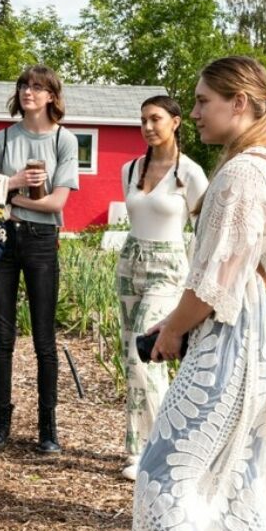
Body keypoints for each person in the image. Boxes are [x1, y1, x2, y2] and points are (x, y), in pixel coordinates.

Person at [109, 56, 266, 531]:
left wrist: (171, 331)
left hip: (230, 340)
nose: (194, 112)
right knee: (248, 474)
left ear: (240, 103)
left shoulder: (242, 174)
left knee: (164, 472)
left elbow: (213, 285)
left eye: (203, 101)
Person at [0, 65, 80, 453]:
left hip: (41, 241)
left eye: (37, 87)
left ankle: (47, 428)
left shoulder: (64, 140)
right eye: (23, 86)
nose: (28, 92)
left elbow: (56, 203)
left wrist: (10, 196)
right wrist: (16, 183)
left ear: (52, 95)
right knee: (3, 337)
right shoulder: (3, 138)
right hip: (3, 239)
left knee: (44, 339)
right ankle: (0, 421)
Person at [117, 95, 207, 481]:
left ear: (176, 122)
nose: (148, 127)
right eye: (143, 121)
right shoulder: (130, 169)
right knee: (131, 358)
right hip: (130, 262)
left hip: (168, 267)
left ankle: (155, 450)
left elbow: (205, 231)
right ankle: (139, 447)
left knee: (145, 353)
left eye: (156, 119)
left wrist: (198, 281)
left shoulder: (191, 173)